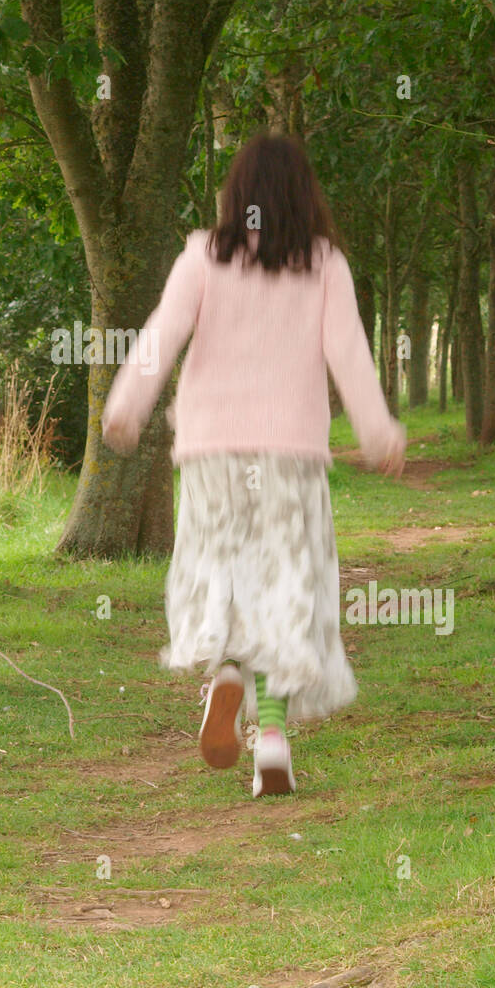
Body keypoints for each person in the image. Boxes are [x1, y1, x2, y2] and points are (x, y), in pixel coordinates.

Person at [101, 133, 406, 798]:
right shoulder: (323, 264)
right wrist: (380, 433)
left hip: (214, 451)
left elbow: (160, 337)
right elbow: (349, 353)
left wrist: (126, 404)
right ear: (305, 196)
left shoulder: (203, 257)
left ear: (235, 195)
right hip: (290, 456)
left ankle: (228, 679)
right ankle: (271, 739)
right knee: (282, 592)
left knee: (227, 576)